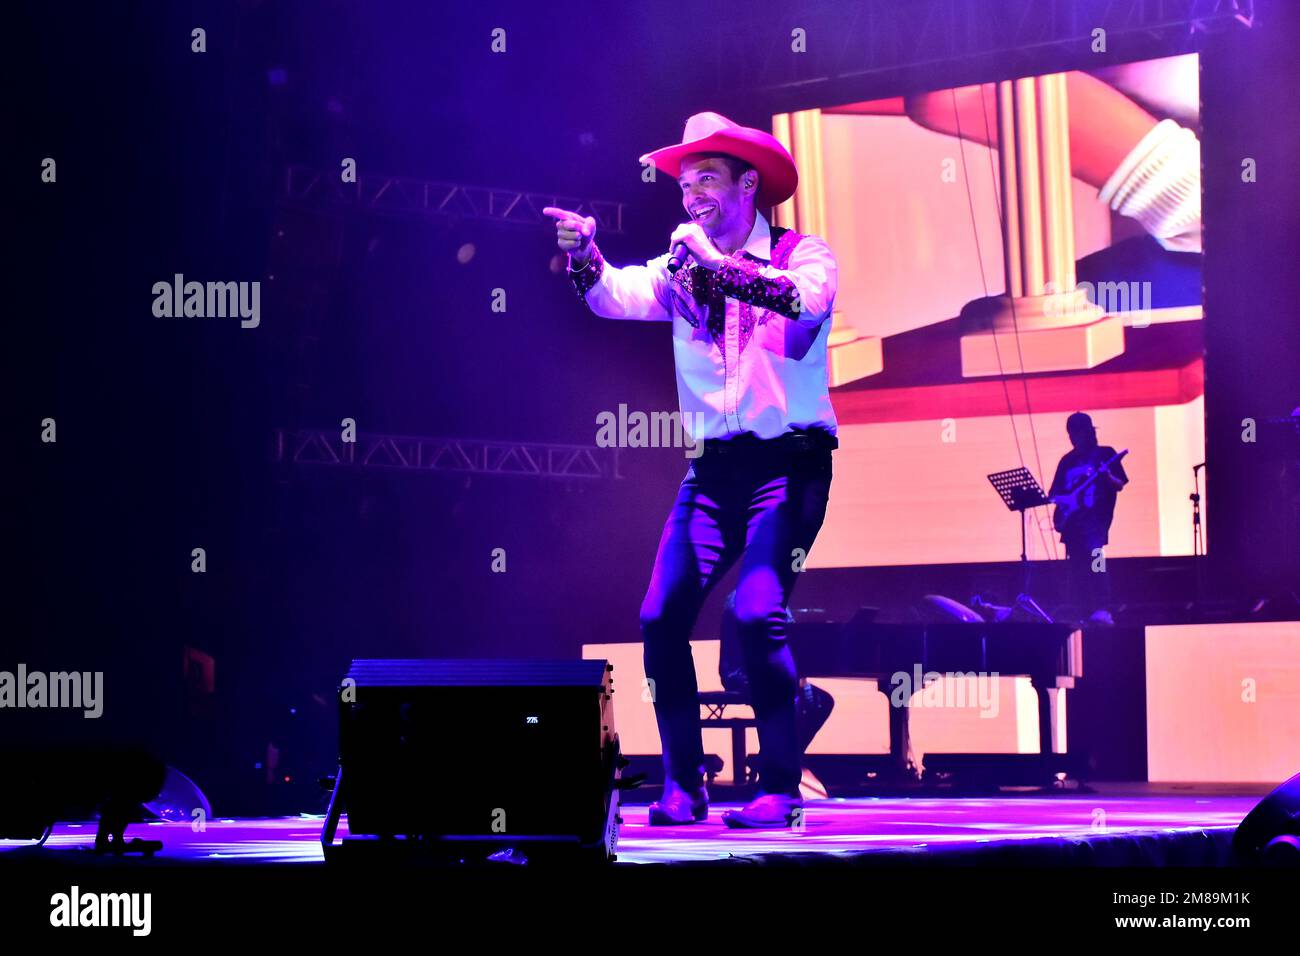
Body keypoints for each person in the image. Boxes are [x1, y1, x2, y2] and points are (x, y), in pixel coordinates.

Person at [545, 112, 839, 828]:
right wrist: (587, 253)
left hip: (789, 466)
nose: (691, 193)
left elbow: (804, 308)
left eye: (706, 178)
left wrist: (715, 267)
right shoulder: (680, 268)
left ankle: (779, 787)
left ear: (749, 185)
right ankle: (684, 784)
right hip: (712, 473)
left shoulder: (806, 255)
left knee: (755, 610)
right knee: (659, 615)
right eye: (684, 183)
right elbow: (613, 295)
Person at [1049, 412, 1129, 623]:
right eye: (1070, 434)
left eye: (1076, 433)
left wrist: (1106, 475)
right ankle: (1080, 610)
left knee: (1097, 561)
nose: (1072, 438)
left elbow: (1119, 485)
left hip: (1095, 521)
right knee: (1076, 569)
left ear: (1087, 432)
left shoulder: (1105, 454)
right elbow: (1054, 493)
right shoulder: (1067, 461)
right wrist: (1065, 502)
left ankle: (1103, 606)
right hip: (1072, 524)